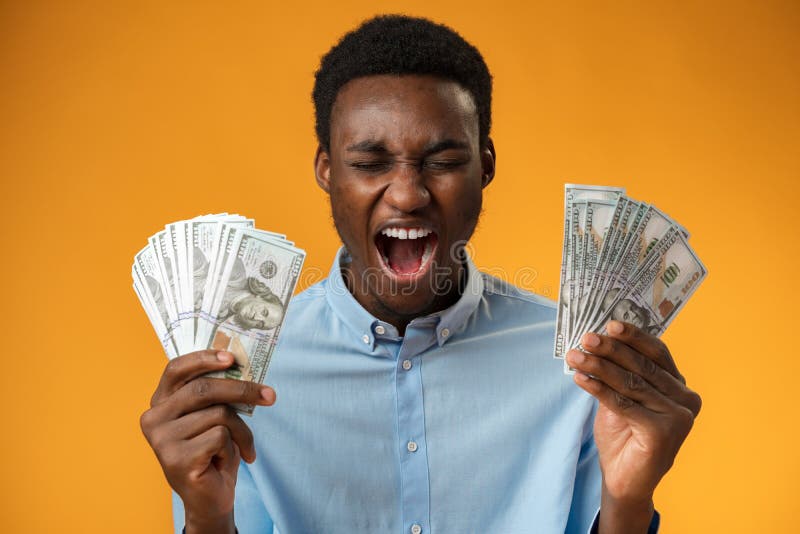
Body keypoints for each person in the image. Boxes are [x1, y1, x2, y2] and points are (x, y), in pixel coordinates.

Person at [140, 15, 701, 534]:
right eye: (369, 163)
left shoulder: (581, 364)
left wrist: (629, 500)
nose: (408, 194)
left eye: (442, 160)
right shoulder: (241, 370)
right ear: (327, 170)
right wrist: (205, 517)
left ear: (485, 166)